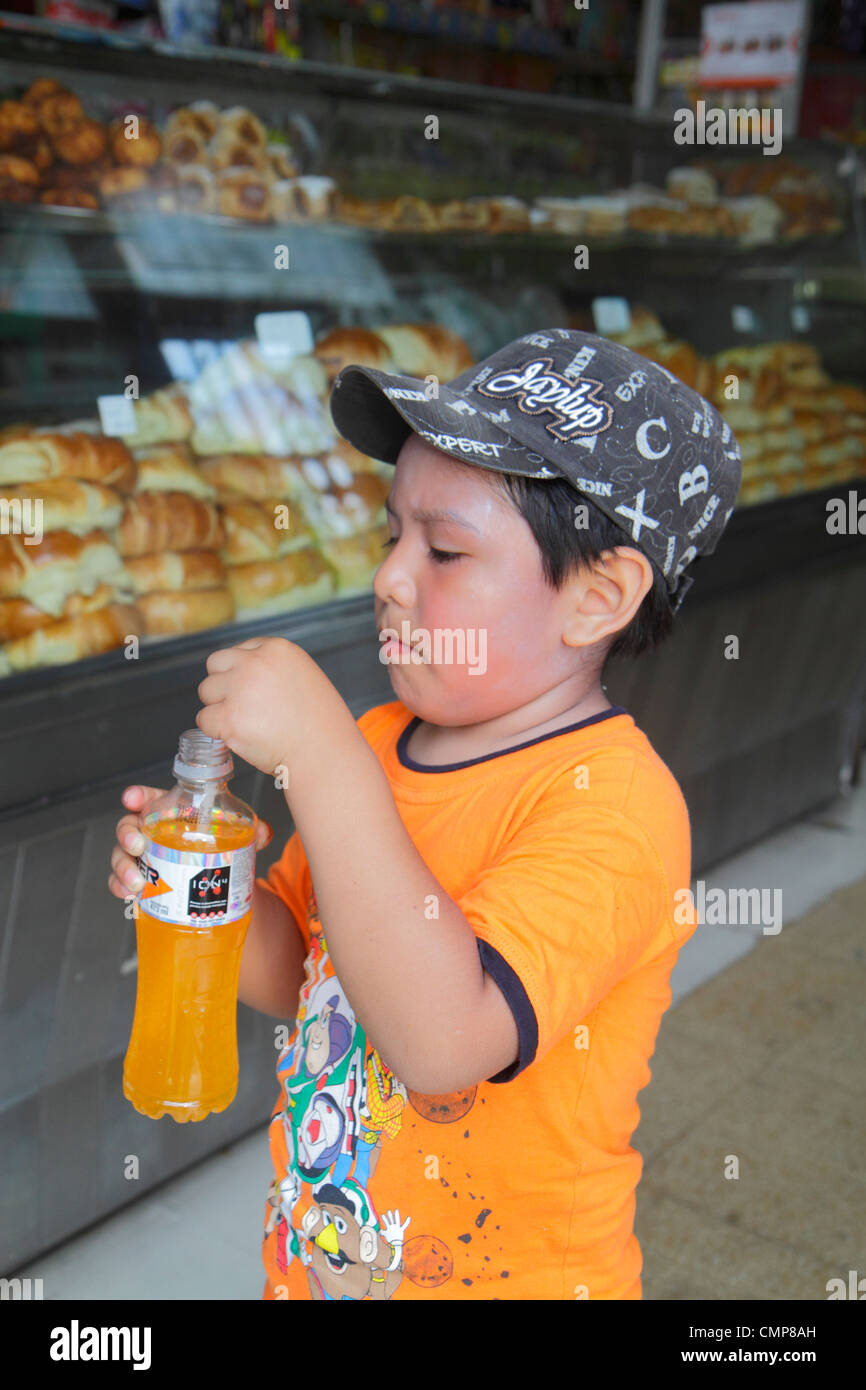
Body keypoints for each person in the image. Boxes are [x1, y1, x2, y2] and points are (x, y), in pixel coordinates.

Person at [108, 328, 742, 1300]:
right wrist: (202, 890)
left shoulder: (611, 805)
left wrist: (319, 761)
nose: (390, 577)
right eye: (390, 535)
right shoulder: (375, 742)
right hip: (328, 1267)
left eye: (443, 548)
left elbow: (442, 1044)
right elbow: (306, 977)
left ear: (596, 596)